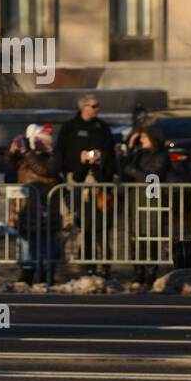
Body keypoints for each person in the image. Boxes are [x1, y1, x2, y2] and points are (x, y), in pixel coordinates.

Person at [57, 94, 116, 274]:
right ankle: (73, 258)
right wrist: (78, 160)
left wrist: (100, 158)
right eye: (93, 106)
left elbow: (111, 153)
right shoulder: (70, 127)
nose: (97, 109)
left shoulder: (102, 127)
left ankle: (101, 263)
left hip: (98, 179)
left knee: (99, 223)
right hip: (76, 178)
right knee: (75, 220)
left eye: (98, 106)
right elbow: (61, 152)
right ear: (83, 107)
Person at [6, 124, 63, 285]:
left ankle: (47, 273)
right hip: (26, 208)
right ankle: (27, 272)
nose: (39, 144)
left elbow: (44, 170)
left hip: (47, 207)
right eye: (37, 140)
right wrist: (13, 150)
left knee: (47, 242)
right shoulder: (27, 156)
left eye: (42, 141)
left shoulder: (54, 157)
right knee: (26, 242)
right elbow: (10, 163)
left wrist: (28, 153)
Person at [120, 125, 172, 285]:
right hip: (135, 199)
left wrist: (131, 170)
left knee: (151, 236)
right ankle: (138, 270)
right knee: (135, 236)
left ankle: (150, 270)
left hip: (152, 199)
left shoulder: (162, 155)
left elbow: (151, 177)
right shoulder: (138, 154)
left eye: (144, 137)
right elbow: (123, 171)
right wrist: (129, 149)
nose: (141, 140)